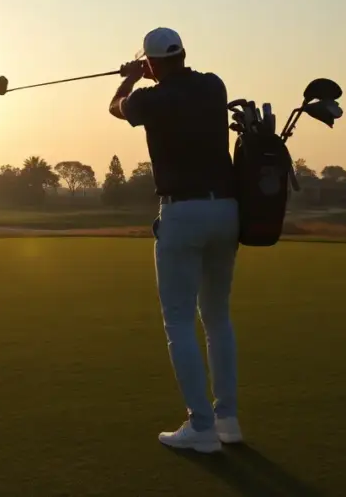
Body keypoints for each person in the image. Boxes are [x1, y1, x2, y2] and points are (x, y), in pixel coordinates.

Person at [108, 27, 243, 453]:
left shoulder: (150, 98)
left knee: (180, 320)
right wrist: (151, 72)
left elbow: (116, 108)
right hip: (226, 210)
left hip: (182, 213)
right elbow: (181, 85)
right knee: (217, 317)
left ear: (151, 62)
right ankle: (228, 420)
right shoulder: (214, 85)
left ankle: (200, 426)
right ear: (183, 53)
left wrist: (130, 78)